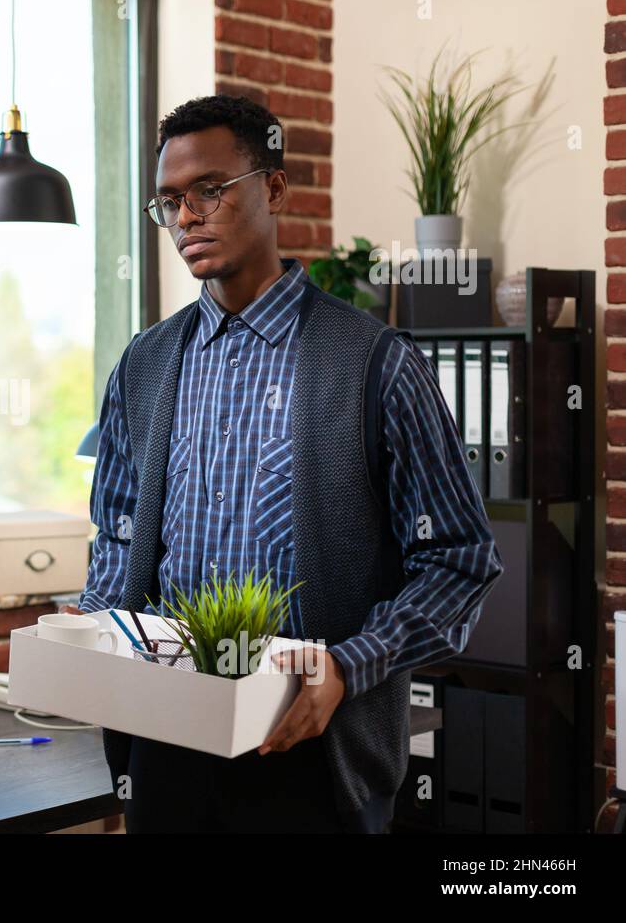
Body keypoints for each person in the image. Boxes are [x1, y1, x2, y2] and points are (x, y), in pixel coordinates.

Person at [69, 94, 502, 833]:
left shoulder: (374, 364)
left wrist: (351, 665)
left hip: (314, 751)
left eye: (210, 190)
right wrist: (90, 638)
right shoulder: (143, 365)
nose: (186, 218)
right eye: (170, 202)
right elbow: (116, 530)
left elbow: (459, 561)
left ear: (272, 188)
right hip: (168, 742)